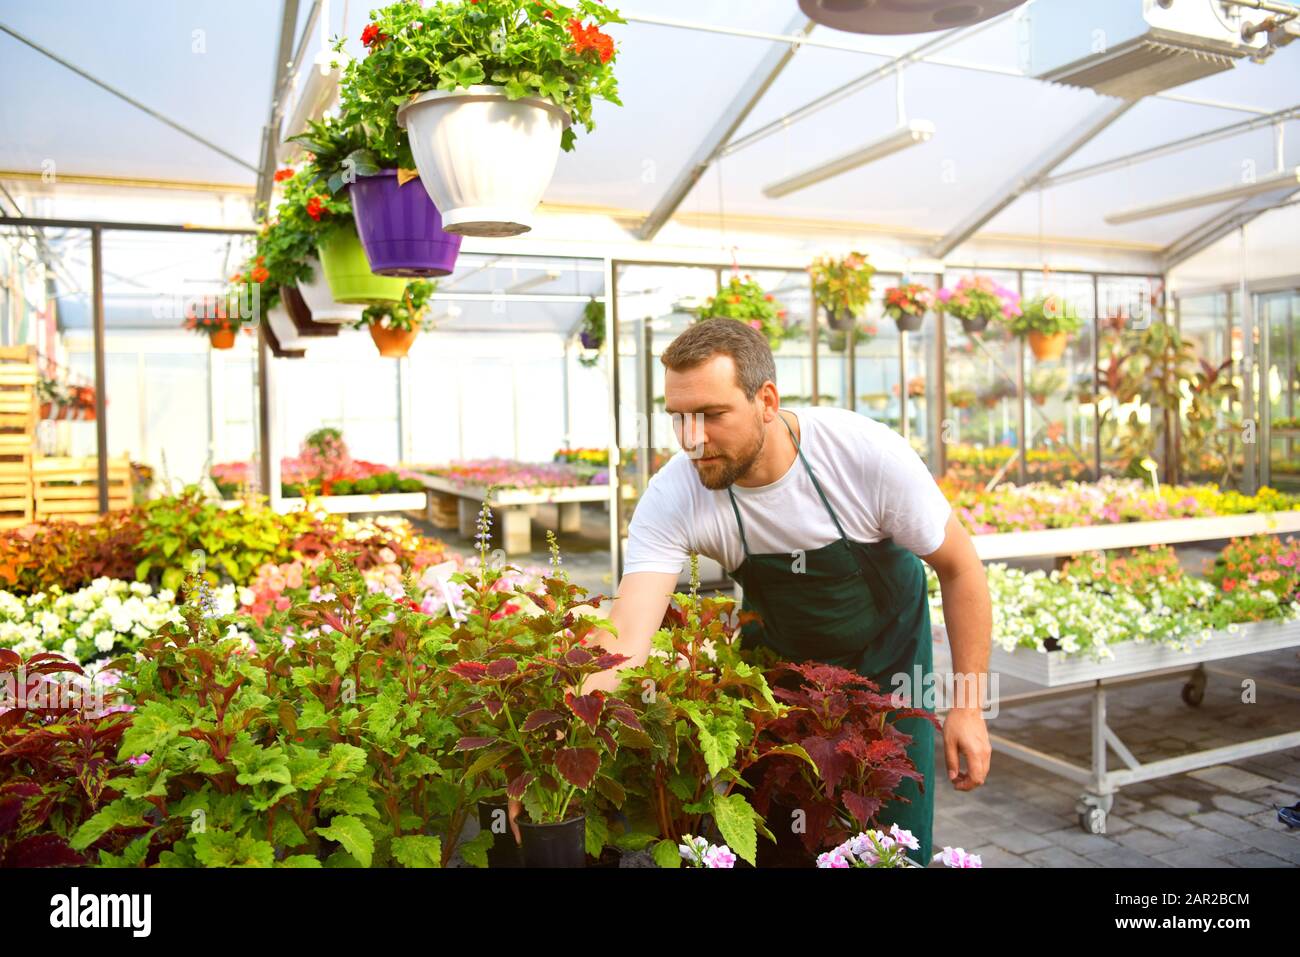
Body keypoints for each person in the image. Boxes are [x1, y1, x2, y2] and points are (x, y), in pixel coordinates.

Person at [518, 318, 993, 865]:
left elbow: (961, 569)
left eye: (713, 415)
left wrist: (970, 707)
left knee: (889, 840)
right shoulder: (677, 493)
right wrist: (567, 731)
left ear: (766, 400)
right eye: (678, 418)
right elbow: (628, 635)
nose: (692, 438)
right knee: (779, 837)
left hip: (890, 667)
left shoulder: (865, 457)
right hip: (781, 676)